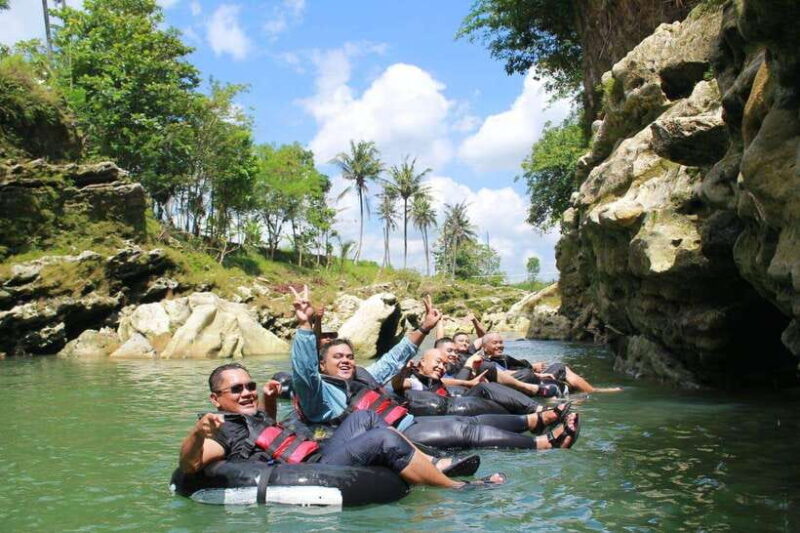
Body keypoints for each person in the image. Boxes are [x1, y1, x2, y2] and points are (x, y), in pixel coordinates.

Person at [290, 286, 580, 451]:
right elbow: (303, 373)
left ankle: (536, 421)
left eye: (349, 356)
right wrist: (305, 324)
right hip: (391, 440)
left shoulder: (360, 377)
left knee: (470, 424)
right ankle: (544, 443)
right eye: (337, 357)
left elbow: (393, 359)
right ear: (322, 364)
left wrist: (425, 328)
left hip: (407, 424)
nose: (346, 361)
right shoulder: (319, 394)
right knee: (465, 430)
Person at [178, 363, 504, 489]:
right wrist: (197, 432)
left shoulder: (248, 415)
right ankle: (458, 489)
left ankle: (433, 463)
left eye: (248, 385)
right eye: (236, 390)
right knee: (383, 439)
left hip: (317, 455)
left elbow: (269, 434)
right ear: (215, 398)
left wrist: (267, 399)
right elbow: (191, 464)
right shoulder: (220, 428)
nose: (246, 392)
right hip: (315, 470)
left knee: (363, 418)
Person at [394, 348, 571, 420]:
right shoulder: (414, 382)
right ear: (420, 364)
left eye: (443, 364)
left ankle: (532, 408)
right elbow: (398, 385)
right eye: (437, 363)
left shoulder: (436, 378)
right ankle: (537, 410)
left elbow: (448, 381)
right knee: (484, 387)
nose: (441, 367)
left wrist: (469, 383)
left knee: (484, 388)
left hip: (461, 403)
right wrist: (402, 370)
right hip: (449, 413)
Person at [474, 333, 622, 393]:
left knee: (559, 366)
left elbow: (516, 366)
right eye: (495, 343)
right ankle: (593, 391)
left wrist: (533, 367)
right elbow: (501, 374)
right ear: (484, 346)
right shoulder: (482, 360)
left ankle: (587, 390)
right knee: (560, 368)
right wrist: (536, 374)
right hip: (517, 383)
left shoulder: (503, 358)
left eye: (501, 343)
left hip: (524, 378)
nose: (500, 346)